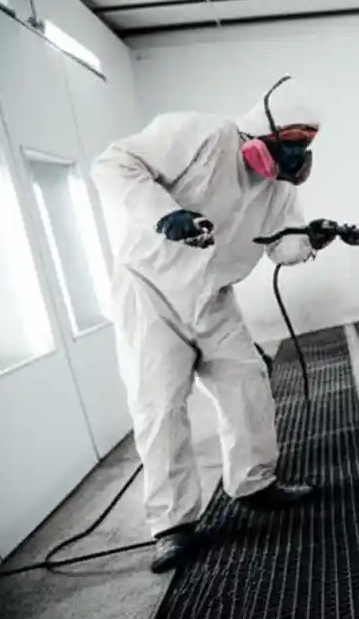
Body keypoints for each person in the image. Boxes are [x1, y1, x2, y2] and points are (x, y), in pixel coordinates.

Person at [92, 76, 335, 573]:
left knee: (246, 381)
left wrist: (312, 239)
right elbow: (112, 163)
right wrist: (165, 214)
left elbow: (281, 247)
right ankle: (172, 525)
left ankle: (254, 483)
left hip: (214, 296)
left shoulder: (277, 188)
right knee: (160, 405)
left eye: (304, 146)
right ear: (260, 134)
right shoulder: (199, 134)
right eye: (289, 145)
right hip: (149, 290)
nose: (296, 159)